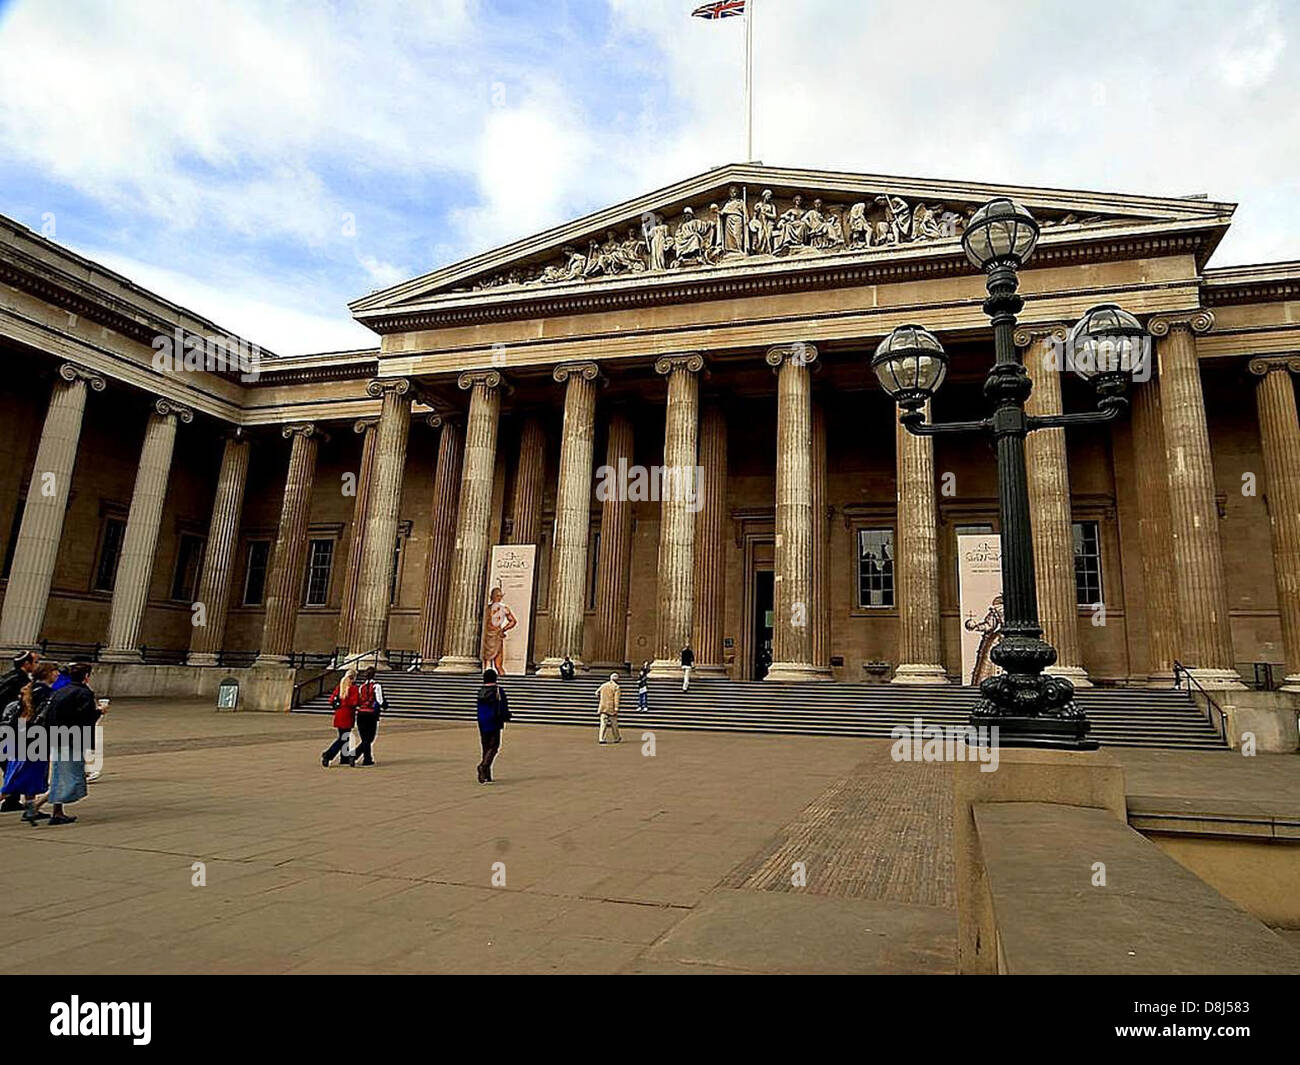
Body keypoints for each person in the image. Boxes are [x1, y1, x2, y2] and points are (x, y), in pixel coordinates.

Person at [42, 662, 104, 826]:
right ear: (86, 677)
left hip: (58, 737)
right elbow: (85, 717)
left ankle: (55, 809)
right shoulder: (84, 693)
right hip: (72, 738)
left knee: (60, 771)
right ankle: (49, 809)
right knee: (68, 774)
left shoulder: (61, 691)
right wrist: (99, 711)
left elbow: (50, 715)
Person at [1, 660, 58, 820]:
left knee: (29, 776)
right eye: (55, 671)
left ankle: (31, 809)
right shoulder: (45, 693)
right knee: (15, 780)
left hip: (23, 736)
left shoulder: (31, 689)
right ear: (47, 674)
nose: (57, 674)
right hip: (34, 739)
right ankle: (29, 808)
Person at [476, 668, 510, 783]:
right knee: (494, 746)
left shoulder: (481, 691)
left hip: (482, 721)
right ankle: (483, 766)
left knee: (485, 747)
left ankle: (487, 774)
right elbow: (503, 706)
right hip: (494, 721)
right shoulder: (498, 690)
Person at [322, 668, 358, 767]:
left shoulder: (340, 687)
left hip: (339, 713)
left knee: (344, 736)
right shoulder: (353, 688)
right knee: (343, 737)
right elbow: (354, 702)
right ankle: (328, 754)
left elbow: (331, 700)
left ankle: (344, 757)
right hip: (347, 714)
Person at [352, 666, 385, 767]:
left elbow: (358, 701)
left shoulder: (361, 687)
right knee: (369, 738)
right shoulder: (376, 686)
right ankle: (354, 756)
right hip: (370, 714)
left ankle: (367, 758)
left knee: (365, 738)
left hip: (361, 714)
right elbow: (380, 701)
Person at [597, 672, 622, 745]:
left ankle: (601, 738)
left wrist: (601, 699)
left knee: (603, 724)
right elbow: (616, 699)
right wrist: (616, 708)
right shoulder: (616, 687)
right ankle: (616, 737)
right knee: (614, 724)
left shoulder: (604, 685)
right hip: (611, 707)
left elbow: (596, 693)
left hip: (603, 706)